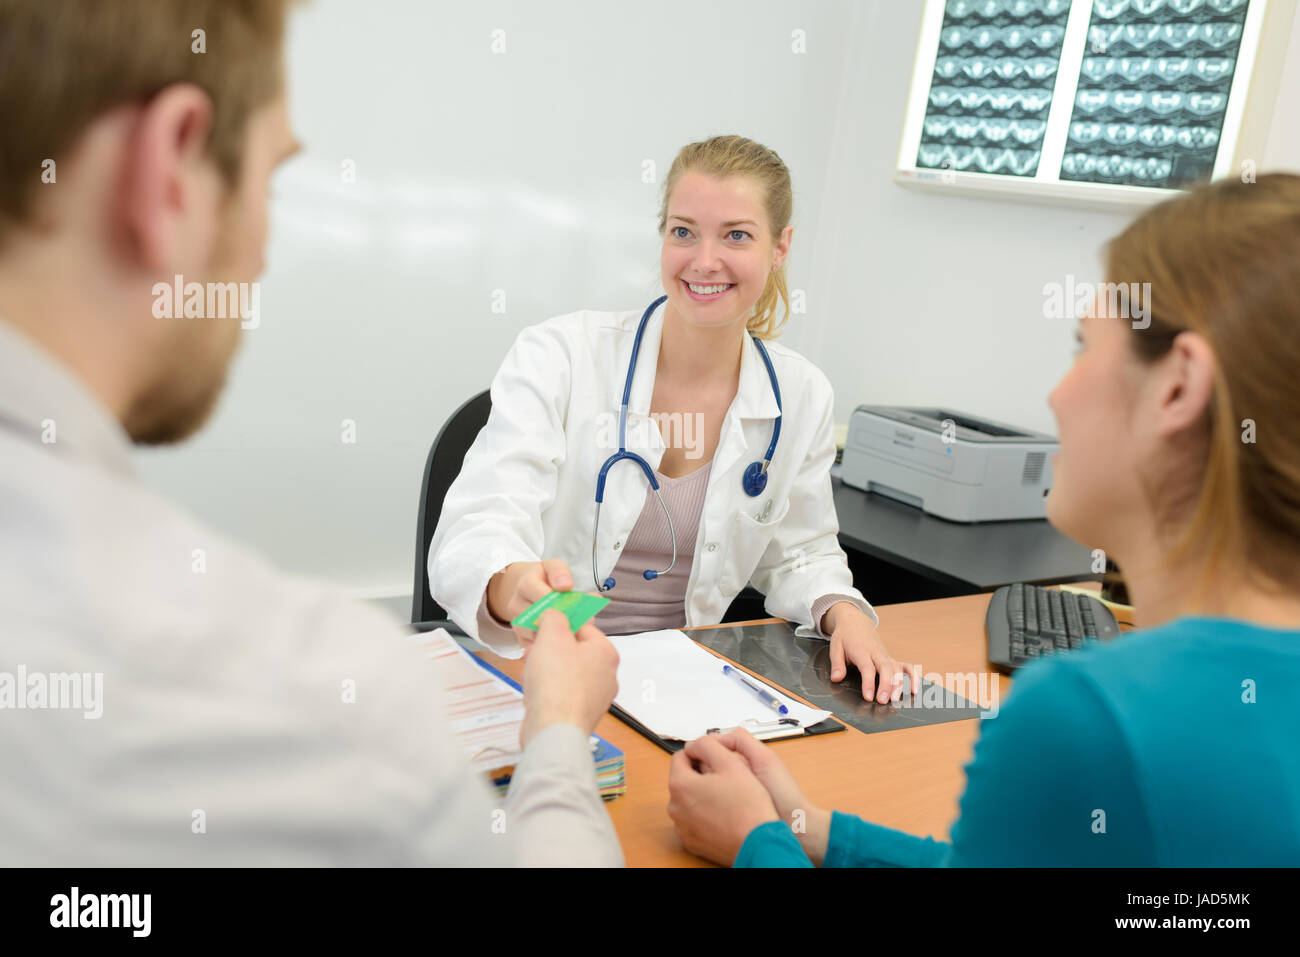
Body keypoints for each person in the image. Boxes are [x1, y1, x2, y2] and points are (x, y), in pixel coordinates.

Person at [0, 0, 621, 866]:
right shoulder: (303, 693)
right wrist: (559, 735)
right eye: (268, 179)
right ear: (169, 168)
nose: (260, 252)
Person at [666, 172, 1300, 867]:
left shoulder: (1087, 718)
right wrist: (812, 830)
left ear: (1177, 387)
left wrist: (759, 845)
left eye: (1085, 347)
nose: (1057, 396)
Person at [430, 135, 919, 703]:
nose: (704, 261)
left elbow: (802, 551)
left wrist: (844, 614)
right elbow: (483, 521)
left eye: (736, 235)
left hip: (683, 680)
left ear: (781, 247)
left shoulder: (801, 393)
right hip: (542, 665)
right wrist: (509, 583)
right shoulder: (559, 355)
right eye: (683, 231)